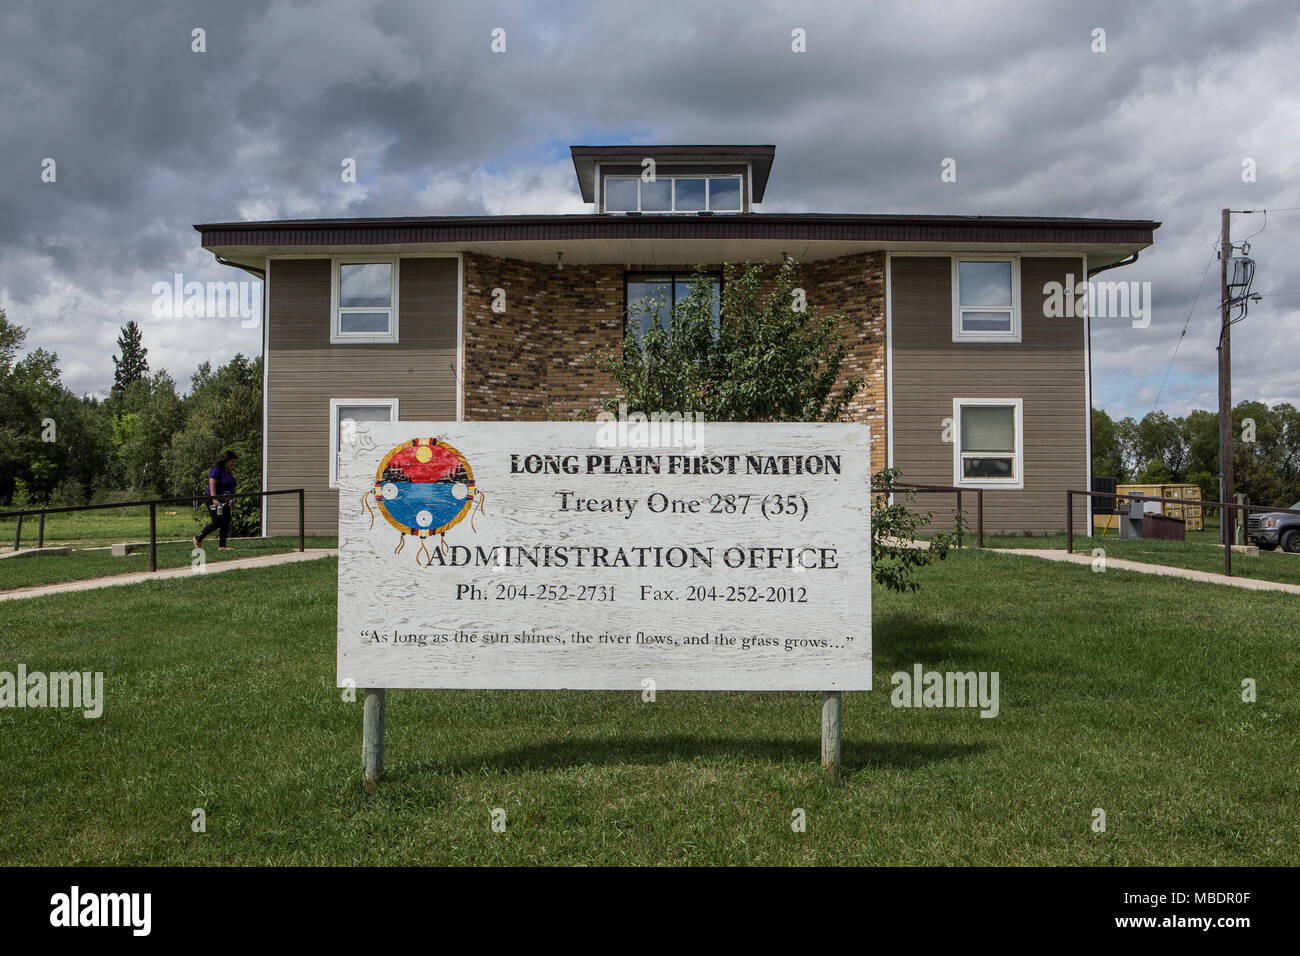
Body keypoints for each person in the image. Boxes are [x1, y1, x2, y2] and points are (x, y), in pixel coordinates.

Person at [194, 451, 238, 550]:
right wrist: (214, 498)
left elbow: (230, 489)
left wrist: (231, 502)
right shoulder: (216, 470)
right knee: (217, 522)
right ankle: (197, 538)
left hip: (225, 500)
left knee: (226, 521)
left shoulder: (228, 472)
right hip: (213, 499)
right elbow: (212, 484)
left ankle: (222, 546)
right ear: (226, 461)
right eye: (232, 461)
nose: (233, 464)